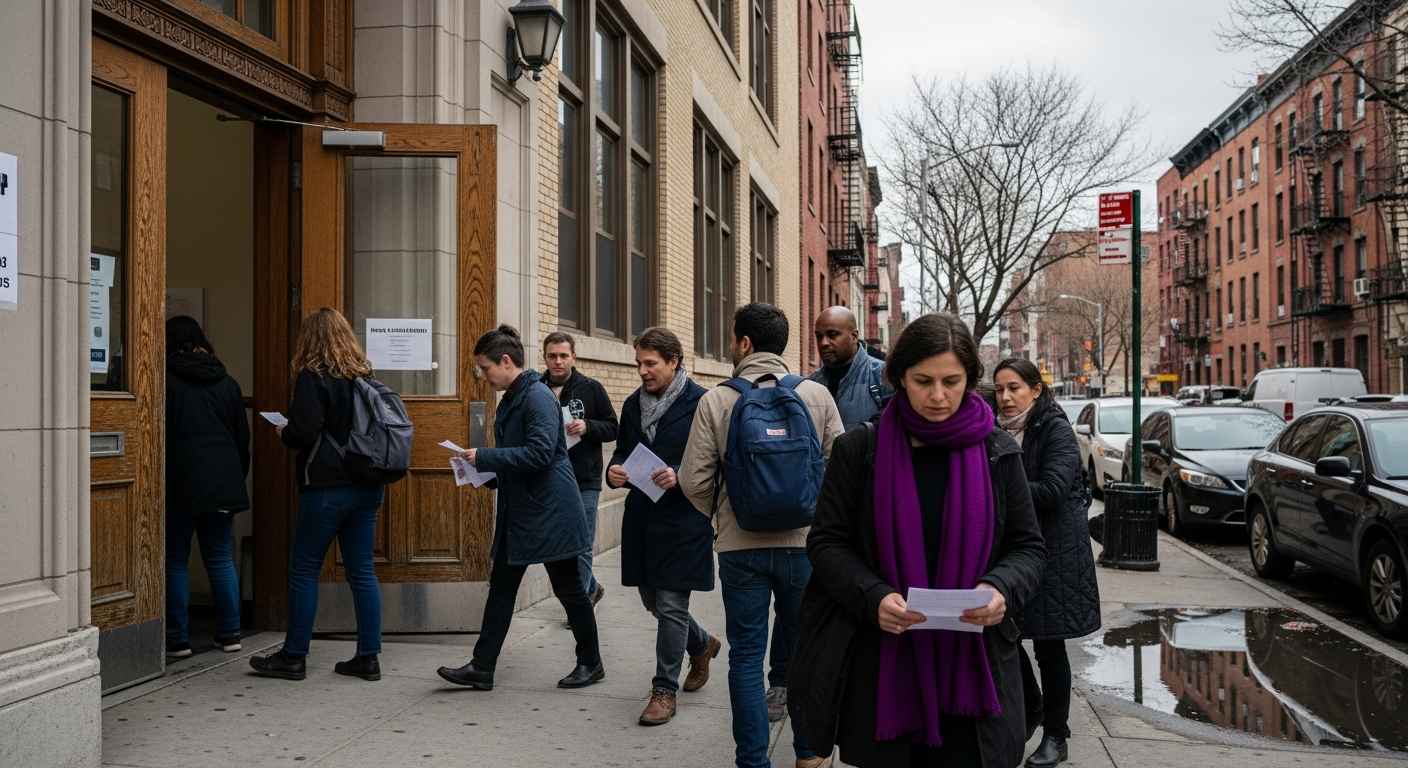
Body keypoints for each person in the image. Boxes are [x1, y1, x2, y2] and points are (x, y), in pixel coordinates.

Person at [790, 312, 1048, 768]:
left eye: (951, 380)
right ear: (899, 378)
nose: (938, 395)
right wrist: (872, 596)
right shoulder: (859, 450)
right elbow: (827, 543)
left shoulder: (998, 451)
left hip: (975, 663)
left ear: (970, 378)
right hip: (882, 663)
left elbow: (1028, 547)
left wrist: (1002, 588)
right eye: (922, 380)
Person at [680, 302, 844, 768]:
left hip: (740, 549)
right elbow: (844, 470)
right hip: (805, 549)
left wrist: (722, 516)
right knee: (803, 659)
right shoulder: (816, 397)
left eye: (733, 340)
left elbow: (693, 481)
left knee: (746, 660)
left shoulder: (716, 399)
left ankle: (753, 762)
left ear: (745, 344)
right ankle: (808, 755)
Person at [437, 325, 603, 690]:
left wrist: (485, 457)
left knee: (570, 590)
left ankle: (591, 662)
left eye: (486, 368)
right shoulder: (513, 397)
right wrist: (486, 472)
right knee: (502, 586)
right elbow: (520, 455)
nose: (483, 376)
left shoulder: (538, 397)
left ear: (506, 361)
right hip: (524, 510)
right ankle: (482, 667)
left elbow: (542, 453)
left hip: (551, 513)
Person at [249, 308, 386, 682]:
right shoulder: (365, 375)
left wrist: (284, 432)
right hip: (369, 484)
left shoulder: (314, 375)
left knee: (305, 569)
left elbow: (305, 432)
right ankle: (368, 657)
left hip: (329, 487)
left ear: (309, 338)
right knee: (362, 571)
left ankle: (293, 656)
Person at [606, 327, 720, 726]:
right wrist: (613, 470)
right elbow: (622, 449)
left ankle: (663, 691)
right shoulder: (633, 404)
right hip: (641, 516)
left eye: (649, 363)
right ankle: (702, 644)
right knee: (652, 602)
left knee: (672, 605)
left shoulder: (703, 402)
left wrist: (678, 474)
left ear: (674, 361)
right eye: (638, 363)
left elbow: (715, 463)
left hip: (684, 518)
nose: (642, 371)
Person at [992, 358, 1099, 768]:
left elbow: (1054, 490)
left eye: (1014, 387)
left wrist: (994, 486)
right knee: (1003, 635)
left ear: (1036, 389)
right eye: (1000, 389)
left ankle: (1057, 735)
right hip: (1013, 551)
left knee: (1050, 648)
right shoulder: (994, 429)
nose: (1005, 397)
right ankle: (1033, 705)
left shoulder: (1054, 428)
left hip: (1055, 554)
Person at [164, 315, 249, 659]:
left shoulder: (165, 382)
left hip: (181, 482)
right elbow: (242, 441)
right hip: (222, 483)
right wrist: (232, 477)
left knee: (174, 560)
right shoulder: (227, 383)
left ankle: (177, 640)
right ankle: (230, 634)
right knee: (219, 557)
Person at [543, 331, 619, 611]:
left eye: (564, 356)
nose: (558, 361)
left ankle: (580, 605)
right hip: (549, 480)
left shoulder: (591, 388)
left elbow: (612, 427)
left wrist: (588, 427)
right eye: (553, 356)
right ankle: (591, 588)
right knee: (558, 544)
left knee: (582, 543)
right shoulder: (537, 389)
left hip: (584, 480)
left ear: (573, 357)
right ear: (545, 358)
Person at [808, 306, 890, 431]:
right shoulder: (811, 384)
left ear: (854, 336)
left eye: (832, 335)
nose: (823, 343)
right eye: (819, 336)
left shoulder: (882, 375)